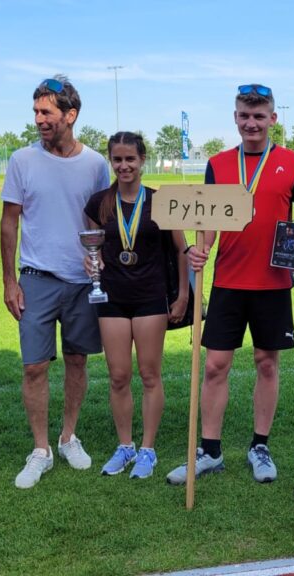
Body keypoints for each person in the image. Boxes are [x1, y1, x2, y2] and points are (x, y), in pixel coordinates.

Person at [166, 83, 294, 485]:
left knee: (266, 363)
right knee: (216, 365)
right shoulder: (218, 164)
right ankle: (210, 451)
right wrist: (199, 252)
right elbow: (208, 221)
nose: (251, 123)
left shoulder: (291, 163)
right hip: (228, 282)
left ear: (272, 119)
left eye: (259, 116)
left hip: (272, 283)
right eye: (244, 115)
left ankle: (259, 445)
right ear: (235, 118)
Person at [1, 75, 111, 489]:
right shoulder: (21, 160)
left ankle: (69, 437)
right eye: (36, 112)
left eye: (46, 112)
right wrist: (10, 282)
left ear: (71, 115)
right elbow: (9, 222)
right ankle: (41, 449)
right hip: (37, 279)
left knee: (77, 361)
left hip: (84, 282)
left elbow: (101, 221)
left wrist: (100, 264)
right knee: (34, 367)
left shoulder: (96, 164)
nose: (39, 119)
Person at [83, 131, 190, 480]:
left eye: (130, 159)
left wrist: (183, 295)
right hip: (111, 297)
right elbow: (91, 249)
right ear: (110, 161)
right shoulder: (98, 202)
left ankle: (147, 449)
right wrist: (90, 263)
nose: (124, 165)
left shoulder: (161, 202)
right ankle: (125, 445)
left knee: (149, 374)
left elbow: (180, 249)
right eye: (117, 159)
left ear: (143, 160)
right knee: (118, 376)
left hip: (150, 298)